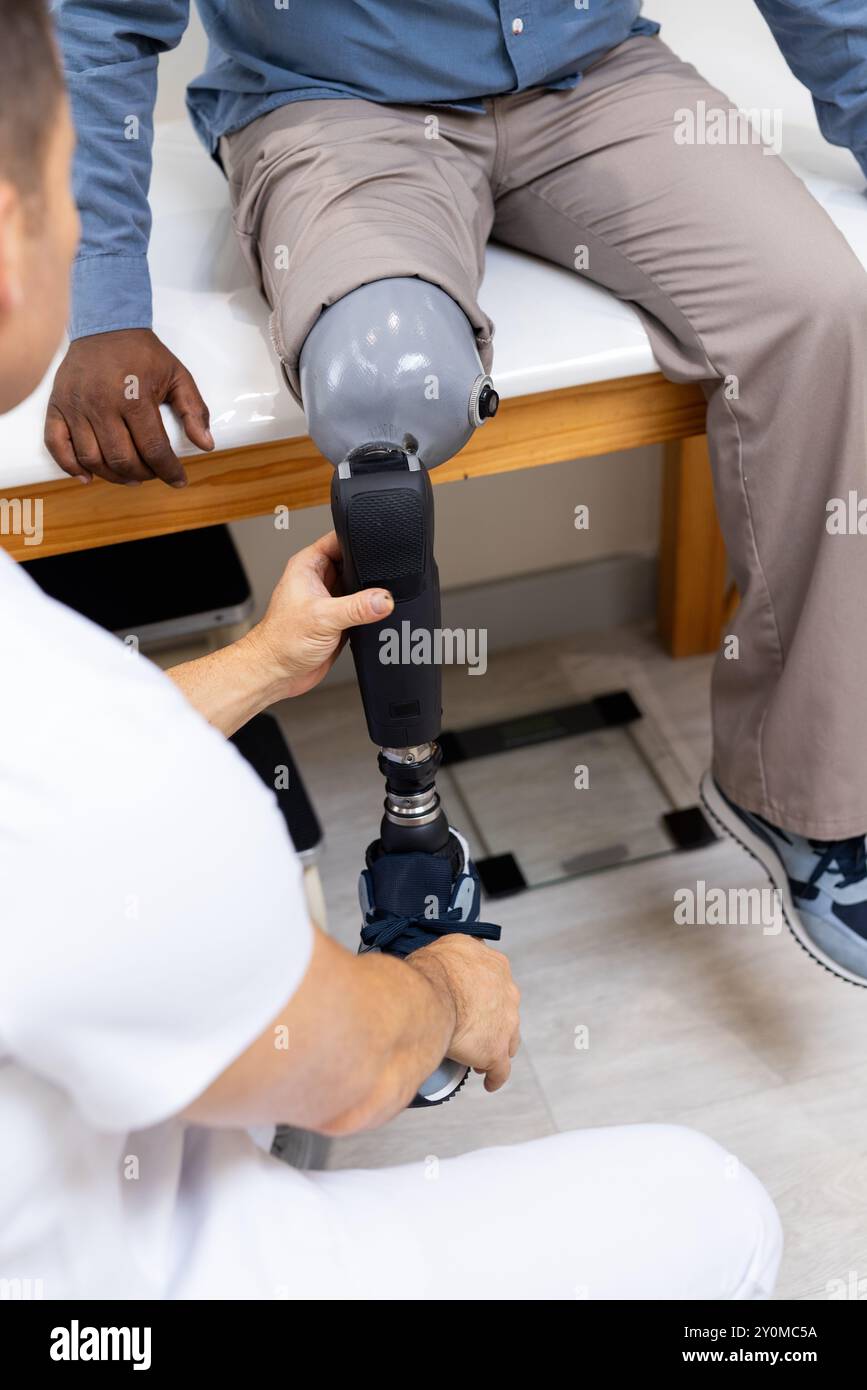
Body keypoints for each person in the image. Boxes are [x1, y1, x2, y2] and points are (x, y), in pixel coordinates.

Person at [0, 1, 782, 1302]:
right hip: (103, 1286)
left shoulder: (56, 713)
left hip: (115, 1116)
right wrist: (437, 985)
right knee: (715, 1207)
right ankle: (410, 856)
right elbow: (354, 1067)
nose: (85, 216)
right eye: (57, 183)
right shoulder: (83, 768)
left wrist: (257, 659)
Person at [45, 1, 867, 989]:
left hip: (596, 81)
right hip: (339, 109)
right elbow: (98, 17)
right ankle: (414, 834)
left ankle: (804, 793)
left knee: (827, 308)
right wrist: (102, 304)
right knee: (386, 385)